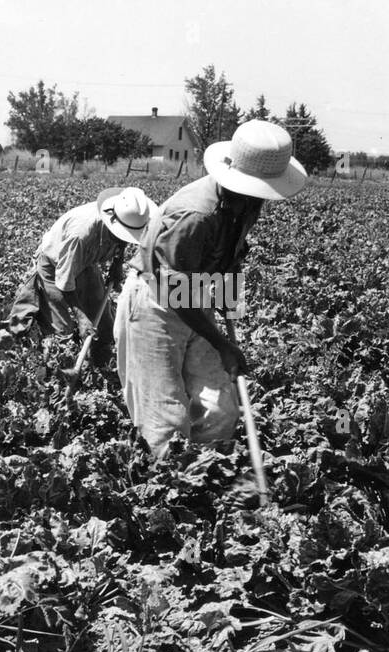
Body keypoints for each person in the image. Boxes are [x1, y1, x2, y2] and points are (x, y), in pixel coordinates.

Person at [115, 119, 308, 459]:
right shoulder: (195, 215)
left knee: (221, 411)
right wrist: (222, 344)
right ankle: (166, 499)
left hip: (195, 296)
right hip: (156, 304)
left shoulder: (246, 205)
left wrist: (229, 308)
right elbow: (175, 292)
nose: (261, 199)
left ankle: (206, 481)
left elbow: (231, 258)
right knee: (165, 421)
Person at [6, 187, 157, 365]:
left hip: (86, 263)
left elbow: (124, 239)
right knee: (63, 334)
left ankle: (99, 365)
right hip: (55, 266)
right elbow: (65, 279)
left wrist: (117, 264)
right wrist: (81, 318)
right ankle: (49, 364)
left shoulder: (127, 217)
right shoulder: (80, 235)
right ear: (112, 225)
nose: (126, 240)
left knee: (105, 327)